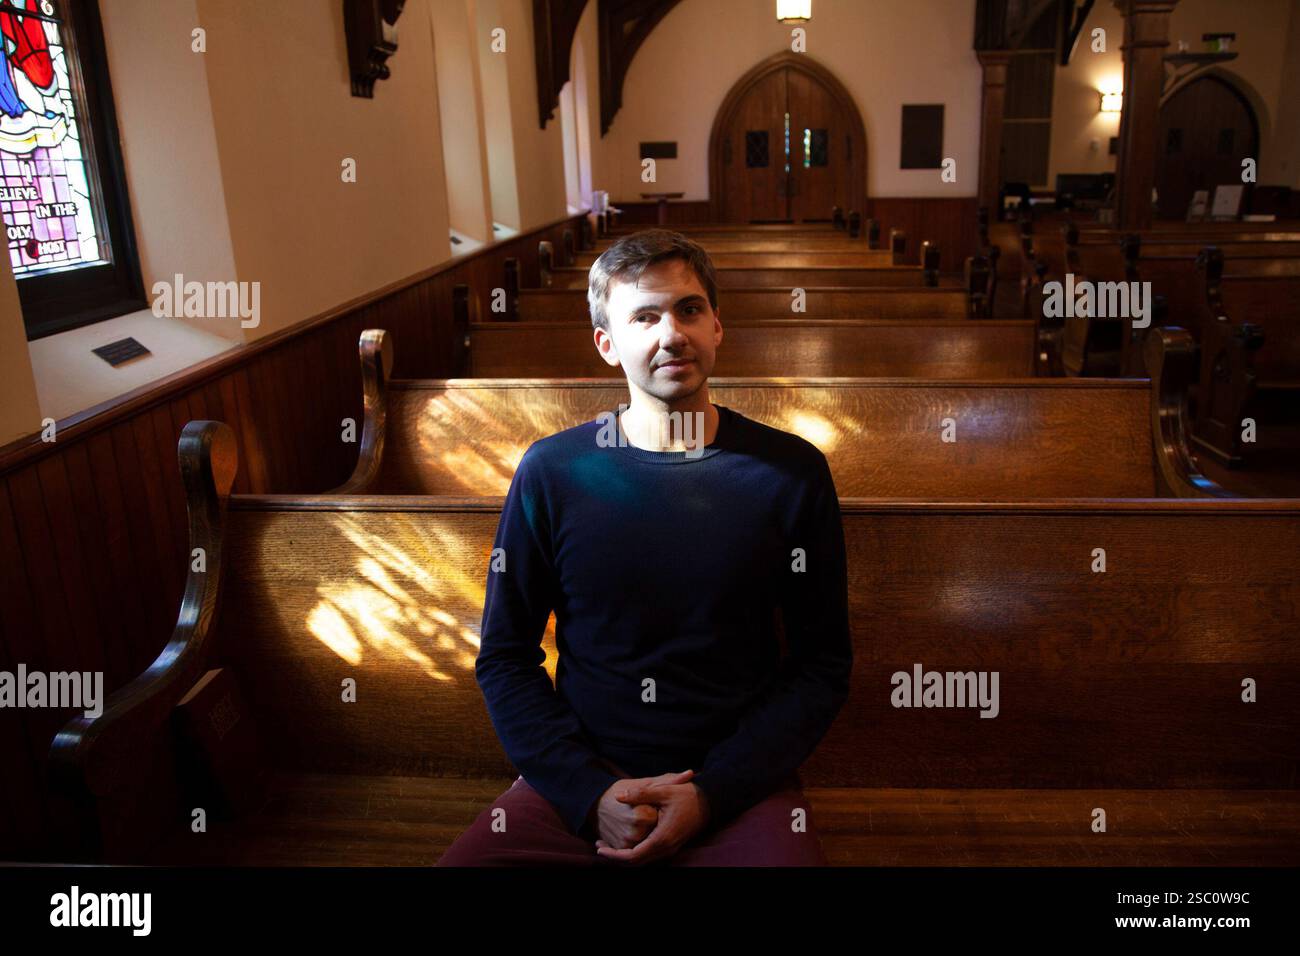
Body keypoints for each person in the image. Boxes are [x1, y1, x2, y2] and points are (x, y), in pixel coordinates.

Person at [435, 229, 852, 866]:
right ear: (608, 344)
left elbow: (820, 663)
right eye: (644, 317)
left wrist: (714, 792)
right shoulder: (553, 472)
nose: (672, 335)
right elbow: (504, 657)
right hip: (580, 777)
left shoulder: (790, 473)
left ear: (718, 326)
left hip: (736, 781)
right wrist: (589, 790)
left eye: (689, 309)